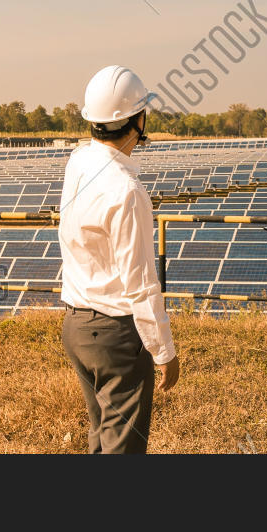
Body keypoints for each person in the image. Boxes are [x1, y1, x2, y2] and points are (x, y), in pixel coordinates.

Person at [58, 65, 179, 454]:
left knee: (102, 436)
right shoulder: (127, 191)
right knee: (122, 447)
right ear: (138, 120)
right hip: (116, 335)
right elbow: (140, 283)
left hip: (77, 325)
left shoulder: (78, 162)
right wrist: (164, 351)